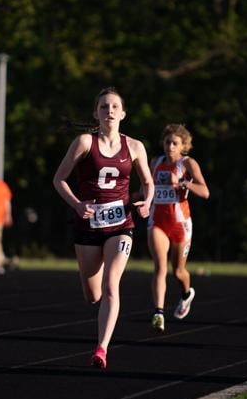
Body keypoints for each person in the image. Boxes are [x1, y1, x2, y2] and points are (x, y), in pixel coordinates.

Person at [52, 87, 154, 369]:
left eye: (114, 106)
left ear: (123, 113)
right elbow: (59, 179)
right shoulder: (84, 142)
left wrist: (147, 202)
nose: (109, 110)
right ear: (96, 113)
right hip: (88, 224)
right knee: (92, 295)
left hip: (121, 224)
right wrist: (76, 204)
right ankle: (97, 311)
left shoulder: (135, 146)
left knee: (112, 284)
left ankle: (101, 349)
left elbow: (148, 182)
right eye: (103, 106)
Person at [147, 124, 210, 333]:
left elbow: (205, 191)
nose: (170, 146)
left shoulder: (188, 164)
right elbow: (143, 190)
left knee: (178, 271)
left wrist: (183, 183)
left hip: (181, 225)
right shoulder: (155, 163)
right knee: (160, 267)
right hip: (158, 222)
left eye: (175, 143)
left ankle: (186, 294)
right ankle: (158, 313)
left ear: (183, 146)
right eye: (167, 142)